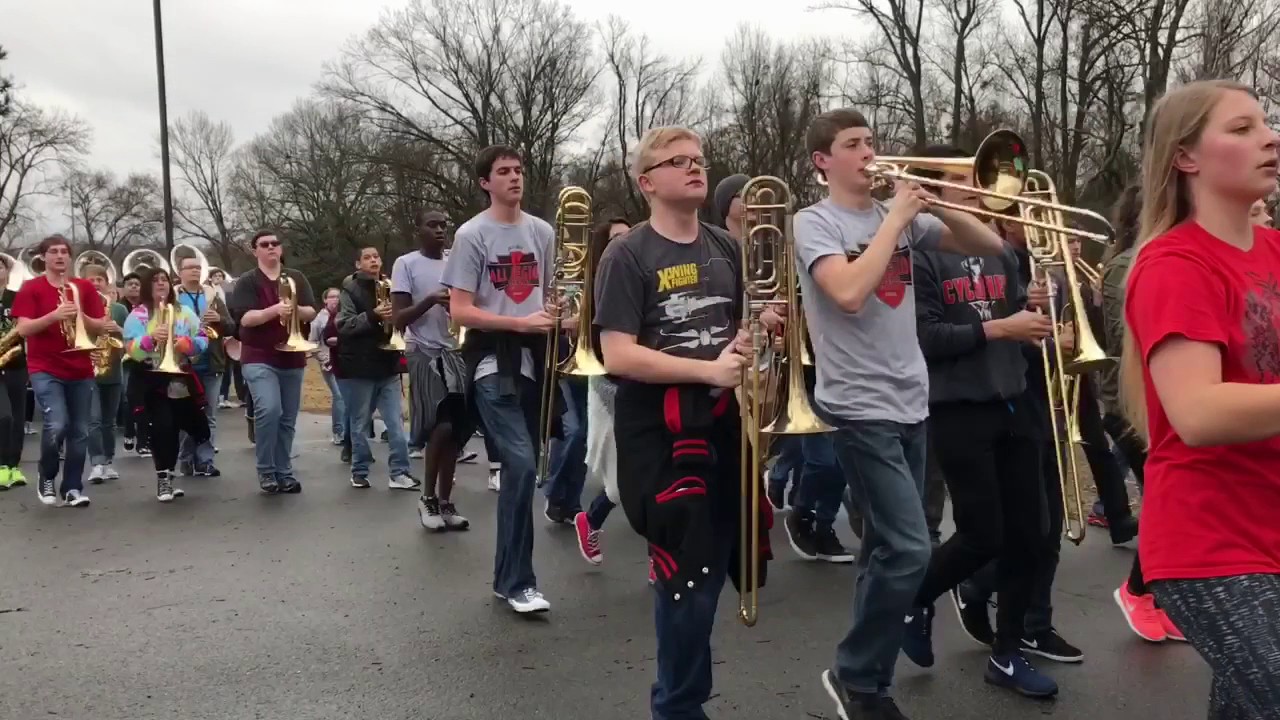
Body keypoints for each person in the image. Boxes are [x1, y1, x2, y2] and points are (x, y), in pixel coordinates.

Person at [793, 109, 1005, 719]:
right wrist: (901, 220)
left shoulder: (900, 217)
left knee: (883, 548)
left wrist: (936, 196)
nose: (867, 153)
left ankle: (865, 681)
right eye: (852, 145)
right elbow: (850, 291)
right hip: (858, 405)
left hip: (911, 398)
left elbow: (989, 245)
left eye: (870, 142)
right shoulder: (815, 222)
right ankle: (857, 675)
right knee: (911, 549)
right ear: (822, 162)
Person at [594, 126, 772, 720]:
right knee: (687, 579)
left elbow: (738, 333)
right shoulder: (627, 254)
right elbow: (616, 354)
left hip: (726, 421)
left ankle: (681, 700)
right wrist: (706, 372)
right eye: (678, 162)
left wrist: (757, 335)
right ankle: (677, 708)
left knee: (722, 567)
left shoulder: (727, 247)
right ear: (648, 183)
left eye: (699, 160)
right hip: (660, 430)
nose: (695, 168)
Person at [1120, 79, 1280, 717]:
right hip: (1211, 546)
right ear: (1186, 157)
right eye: (1240, 129)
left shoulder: (1273, 250)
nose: (1269, 137)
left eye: (1265, 124)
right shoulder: (1173, 265)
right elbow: (1199, 413)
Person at [900, 146, 1059, 697]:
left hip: (1015, 400)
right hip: (954, 407)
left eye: (973, 177)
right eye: (956, 179)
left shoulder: (1000, 250)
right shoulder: (921, 251)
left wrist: (1036, 310)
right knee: (982, 534)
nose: (974, 185)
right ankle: (914, 599)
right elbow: (923, 339)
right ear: (930, 191)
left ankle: (1008, 653)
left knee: (1032, 535)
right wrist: (1001, 329)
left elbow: (1019, 322)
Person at [442, 144, 562, 613]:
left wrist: (560, 318)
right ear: (484, 182)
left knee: (522, 469)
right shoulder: (472, 234)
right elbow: (460, 309)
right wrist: (518, 323)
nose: (514, 178)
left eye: (519, 170)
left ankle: (505, 577)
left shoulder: (543, 231)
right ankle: (520, 582)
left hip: (534, 361)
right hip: (492, 362)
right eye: (503, 172)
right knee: (521, 464)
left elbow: (551, 295)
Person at [13, 234, 110, 507]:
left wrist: (80, 315)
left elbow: (101, 326)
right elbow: (22, 329)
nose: (59, 256)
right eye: (53, 252)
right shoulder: (31, 288)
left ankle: (72, 488)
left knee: (80, 430)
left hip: (80, 366)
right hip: (45, 367)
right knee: (57, 424)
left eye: (64, 251)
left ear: (69, 257)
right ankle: (47, 476)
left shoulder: (83, 288)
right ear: (43, 257)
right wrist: (54, 316)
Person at [392, 209, 473, 530]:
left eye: (443, 225)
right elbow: (398, 319)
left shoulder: (455, 260)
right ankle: (426, 500)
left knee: (456, 430)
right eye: (432, 225)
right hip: (423, 352)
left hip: (456, 351)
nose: (440, 230)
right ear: (418, 230)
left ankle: (445, 501)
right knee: (439, 426)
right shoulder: (406, 264)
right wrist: (429, 301)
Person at [227, 230, 317, 494]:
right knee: (269, 410)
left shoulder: (296, 277)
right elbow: (244, 319)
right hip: (258, 355)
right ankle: (266, 471)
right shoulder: (247, 281)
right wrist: (275, 310)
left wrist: (295, 309)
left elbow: (312, 311)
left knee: (288, 418)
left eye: (275, 244)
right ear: (255, 251)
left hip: (292, 355)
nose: (271, 248)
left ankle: (284, 471)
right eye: (264, 245)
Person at [123, 267, 211, 502]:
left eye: (164, 280)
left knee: (182, 428)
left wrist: (187, 344)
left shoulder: (184, 312)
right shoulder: (138, 315)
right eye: (155, 280)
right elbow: (130, 348)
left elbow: (203, 339)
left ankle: (170, 473)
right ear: (146, 286)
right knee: (162, 426)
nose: (161, 284)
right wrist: (150, 339)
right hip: (150, 379)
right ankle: (163, 477)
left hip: (180, 377)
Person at [335, 246, 419, 492]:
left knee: (395, 422)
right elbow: (345, 325)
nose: (373, 261)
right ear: (358, 264)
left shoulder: (390, 285)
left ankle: (400, 473)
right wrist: (373, 315)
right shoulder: (349, 290)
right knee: (360, 423)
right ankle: (359, 471)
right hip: (359, 366)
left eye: (376, 257)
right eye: (367, 258)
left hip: (387, 364)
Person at [572, 217, 630, 566]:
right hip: (607, 388)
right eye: (617, 239)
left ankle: (661, 557)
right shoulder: (594, 288)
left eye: (630, 236)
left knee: (657, 478)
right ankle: (589, 520)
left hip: (644, 386)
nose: (626, 244)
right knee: (618, 487)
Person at [174, 254, 230, 477]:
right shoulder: (174, 298)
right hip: (182, 364)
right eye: (189, 268)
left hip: (211, 362)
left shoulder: (214, 296)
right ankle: (186, 459)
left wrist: (219, 318)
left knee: (209, 414)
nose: (195, 271)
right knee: (185, 415)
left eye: (198, 267)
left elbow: (232, 326)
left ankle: (205, 460)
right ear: (180, 272)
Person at [85, 265, 129, 484]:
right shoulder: (78, 307)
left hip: (112, 369)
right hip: (86, 371)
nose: (95, 283)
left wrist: (117, 330)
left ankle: (109, 462)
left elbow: (131, 339)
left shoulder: (119, 309)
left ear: (106, 282)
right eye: (91, 280)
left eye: (99, 279)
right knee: (92, 420)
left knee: (109, 421)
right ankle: (96, 463)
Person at [0, 257, 28, 490]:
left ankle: (14, 467)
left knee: (18, 417)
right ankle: (1, 466)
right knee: (4, 416)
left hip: (16, 362)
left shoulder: (16, 297)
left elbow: (26, 326)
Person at [309, 287, 348, 446]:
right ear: (325, 300)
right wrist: (325, 359)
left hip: (346, 361)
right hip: (329, 364)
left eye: (338, 297)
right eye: (331, 297)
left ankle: (351, 431)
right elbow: (313, 344)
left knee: (349, 396)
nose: (335, 300)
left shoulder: (345, 315)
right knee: (338, 396)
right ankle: (338, 432)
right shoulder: (319, 319)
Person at [119, 271, 149, 456]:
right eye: (130, 284)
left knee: (144, 400)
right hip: (124, 358)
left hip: (142, 358)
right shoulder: (119, 307)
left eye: (137, 284)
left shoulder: (147, 307)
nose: (134, 287)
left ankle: (143, 440)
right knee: (128, 398)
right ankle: (129, 431)